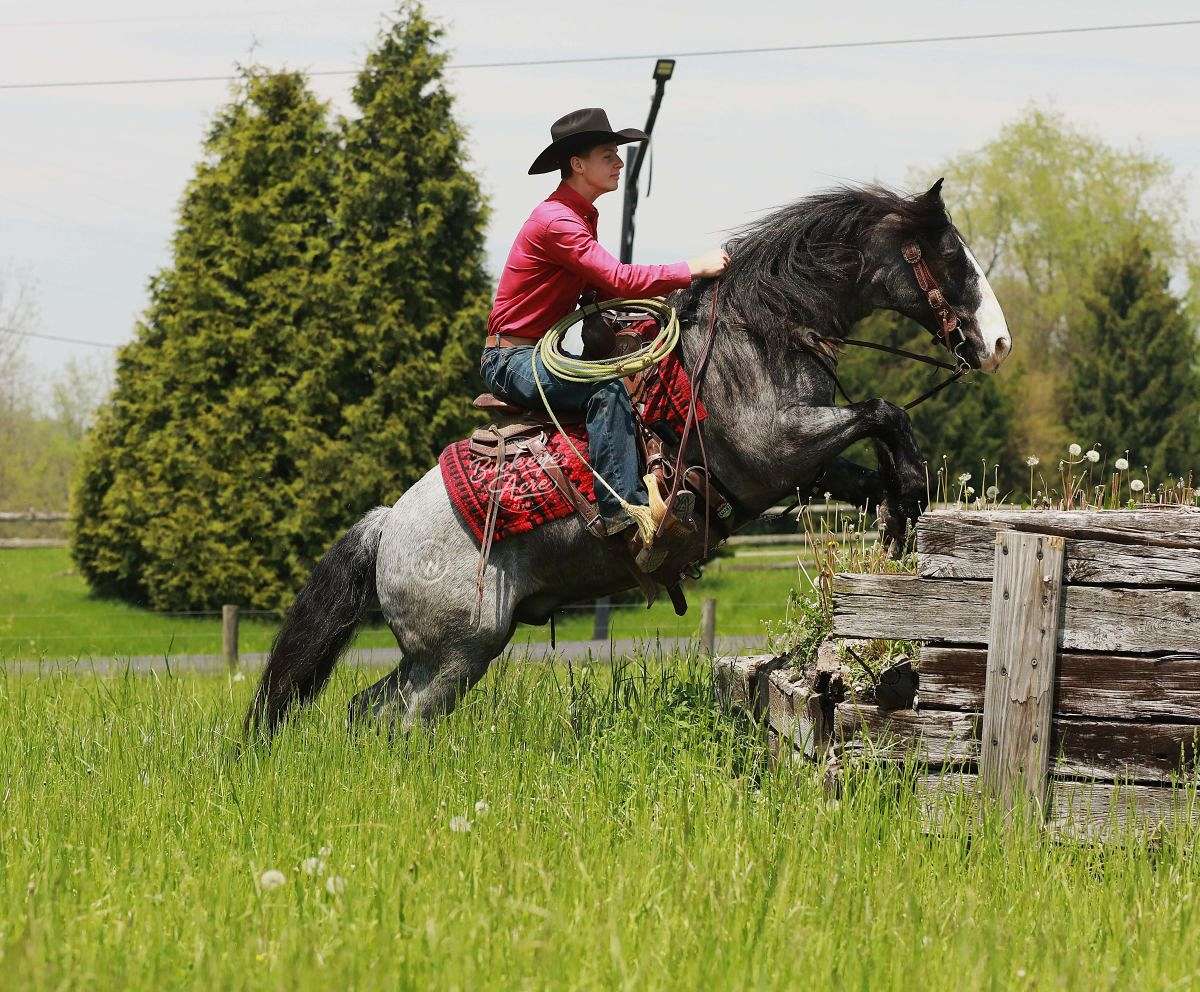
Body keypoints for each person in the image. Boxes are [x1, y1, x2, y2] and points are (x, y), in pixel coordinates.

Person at [482, 107, 729, 567]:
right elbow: (615, 278)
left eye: (617, 154)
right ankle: (626, 515)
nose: (618, 162)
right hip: (510, 361)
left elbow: (597, 289)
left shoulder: (578, 216)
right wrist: (690, 269)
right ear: (577, 164)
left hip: (533, 353)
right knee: (607, 386)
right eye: (607, 154)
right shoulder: (557, 221)